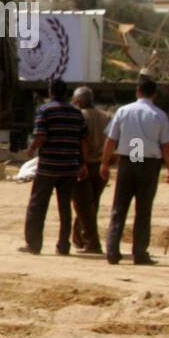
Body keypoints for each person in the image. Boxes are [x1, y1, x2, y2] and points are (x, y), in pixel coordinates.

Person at [102, 76, 169, 265]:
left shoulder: (123, 111)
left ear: (137, 92)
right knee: (143, 210)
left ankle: (112, 250)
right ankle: (140, 252)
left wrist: (104, 163)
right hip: (148, 165)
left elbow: (111, 140)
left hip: (128, 162)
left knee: (119, 208)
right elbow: (167, 146)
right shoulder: (159, 115)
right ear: (155, 95)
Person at [20, 78, 87, 256]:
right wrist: (82, 163)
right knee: (65, 207)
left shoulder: (45, 110)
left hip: (48, 167)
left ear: (51, 92)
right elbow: (82, 141)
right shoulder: (77, 113)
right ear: (66, 93)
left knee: (37, 205)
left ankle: (34, 244)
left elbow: (41, 136)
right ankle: (63, 245)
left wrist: (32, 148)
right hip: (69, 167)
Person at [70, 86, 108, 254]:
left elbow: (79, 142)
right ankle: (79, 239)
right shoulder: (106, 117)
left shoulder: (79, 116)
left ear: (78, 101)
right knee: (92, 205)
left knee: (83, 206)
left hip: (84, 165)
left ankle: (92, 242)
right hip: (100, 165)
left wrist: (80, 164)